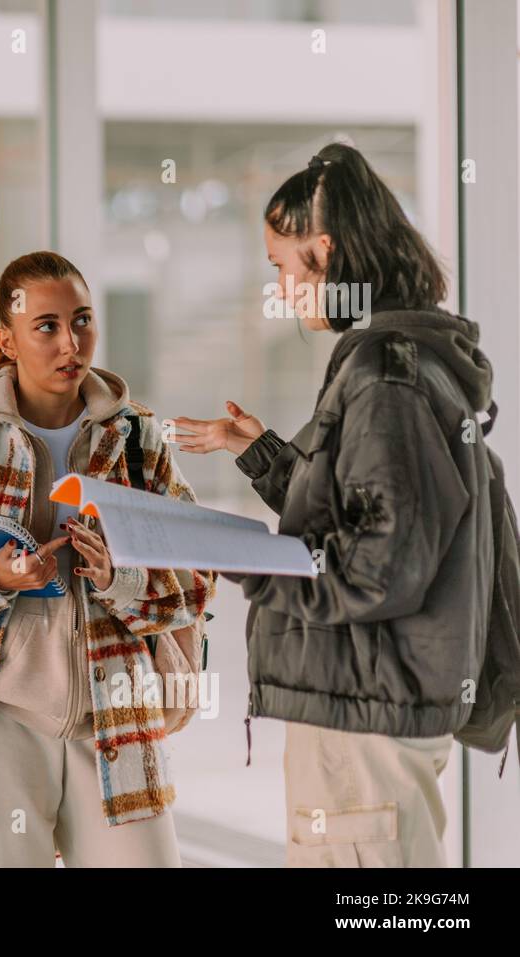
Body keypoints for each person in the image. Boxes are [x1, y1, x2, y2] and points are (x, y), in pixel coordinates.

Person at [173, 142, 495, 867]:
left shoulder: (384, 374)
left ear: (327, 251)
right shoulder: (404, 355)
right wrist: (262, 454)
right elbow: (376, 516)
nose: (282, 289)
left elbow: (379, 569)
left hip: (364, 723)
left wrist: (246, 562)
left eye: (284, 268)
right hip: (373, 706)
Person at [0, 250, 215, 866]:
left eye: (81, 320)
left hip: (116, 716)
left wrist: (119, 578)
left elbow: (200, 578)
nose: (69, 342)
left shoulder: (138, 440)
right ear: (8, 338)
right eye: (46, 326)